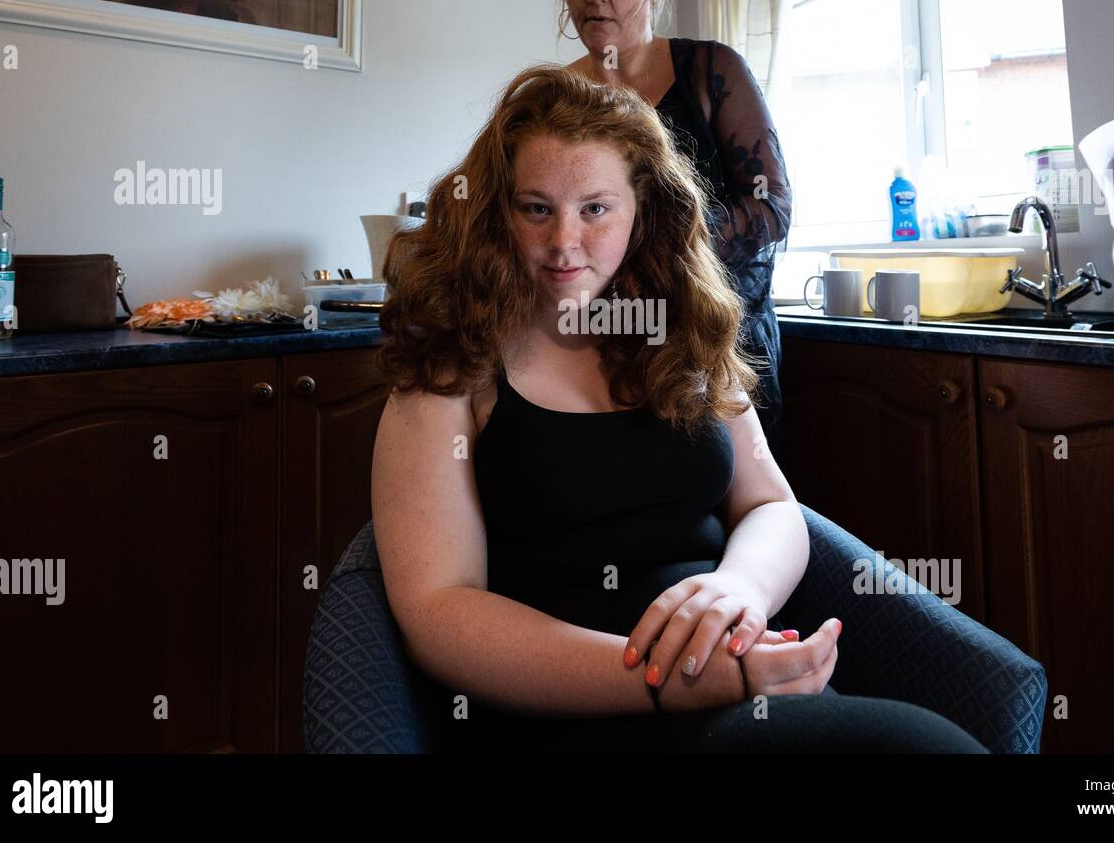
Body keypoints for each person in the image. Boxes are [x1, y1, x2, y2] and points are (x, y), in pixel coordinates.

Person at [370, 63, 987, 753]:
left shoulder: (678, 331)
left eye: (595, 209)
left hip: (737, 678)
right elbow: (439, 611)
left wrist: (739, 589)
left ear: (643, 211)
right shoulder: (452, 363)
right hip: (574, 708)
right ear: (497, 210)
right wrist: (672, 678)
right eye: (536, 208)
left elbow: (771, 506)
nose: (563, 243)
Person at [556, 0, 790, 464]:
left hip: (721, 350)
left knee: (740, 509)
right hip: (600, 347)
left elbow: (773, 207)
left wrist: (662, 242)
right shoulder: (558, 99)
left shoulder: (712, 70)